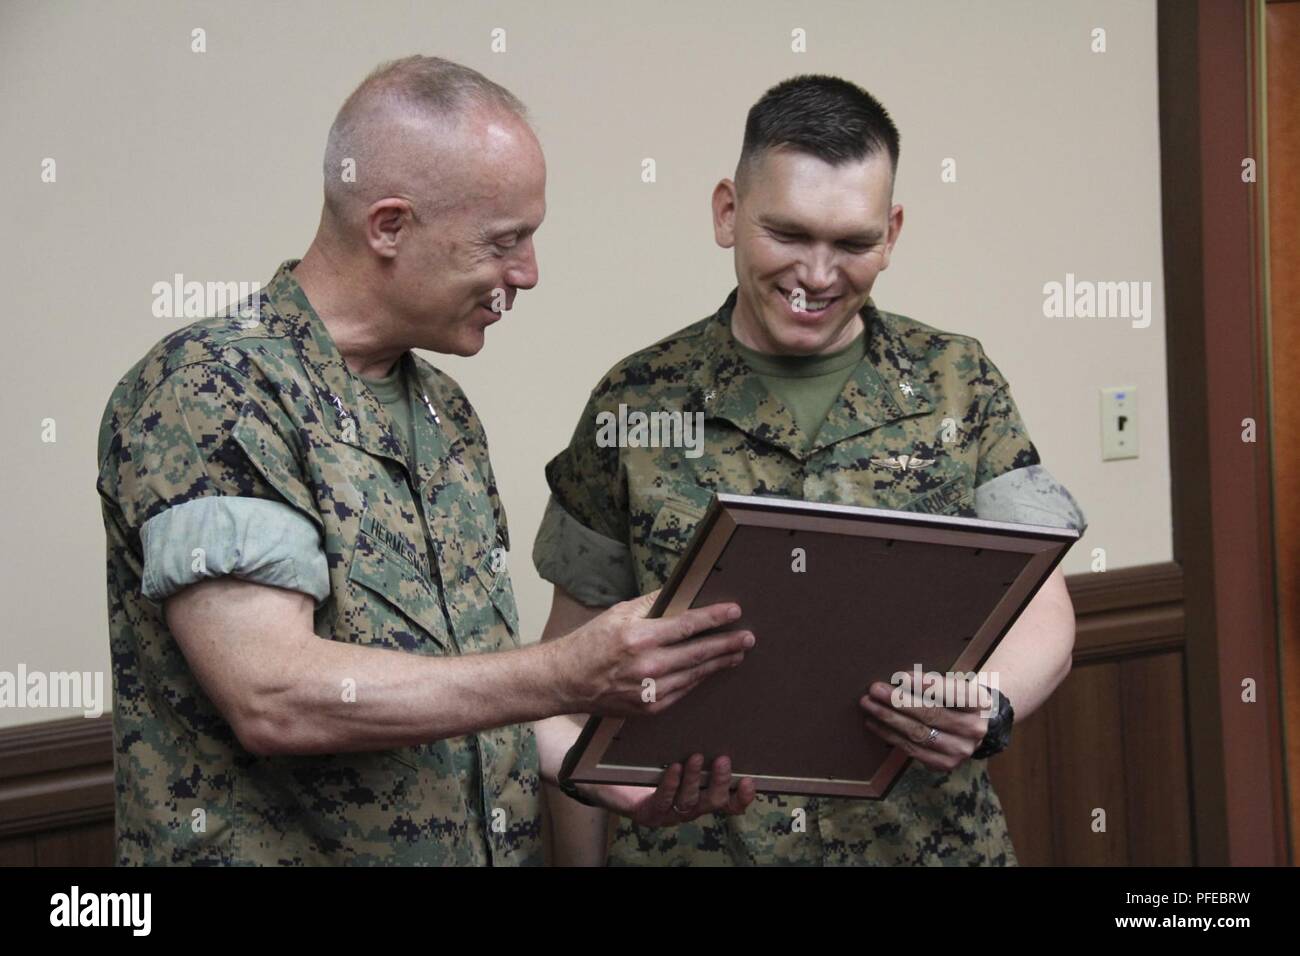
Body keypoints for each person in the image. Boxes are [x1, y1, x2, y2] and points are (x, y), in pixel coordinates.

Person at [95, 55, 756, 866]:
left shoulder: (444, 409)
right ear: (389, 226)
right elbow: (271, 694)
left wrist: (599, 771)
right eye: (504, 242)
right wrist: (565, 671)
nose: (529, 274)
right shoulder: (214, 391)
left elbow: (468, 683)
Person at [532, 74, 1088, 866]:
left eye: (854, 243)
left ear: (892, 233)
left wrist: (988, 705)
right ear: (728, 213)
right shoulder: (635, 402)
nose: (818, 275)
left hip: (923, 847)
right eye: (788, 234)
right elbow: (567, 673)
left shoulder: (957, 381)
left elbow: (1046, 608)